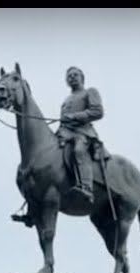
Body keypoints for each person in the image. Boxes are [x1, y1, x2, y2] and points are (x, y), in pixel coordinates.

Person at [56, 65, 103, 204]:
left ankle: (86, 187)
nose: (72, 77)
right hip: (64, 133)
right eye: (69, 76)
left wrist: (74, 116)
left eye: (75, 75)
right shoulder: (66, 100)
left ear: (82, 78)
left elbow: (98, 112)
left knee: (79, 150)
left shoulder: (90, 92)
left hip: (82, 133)